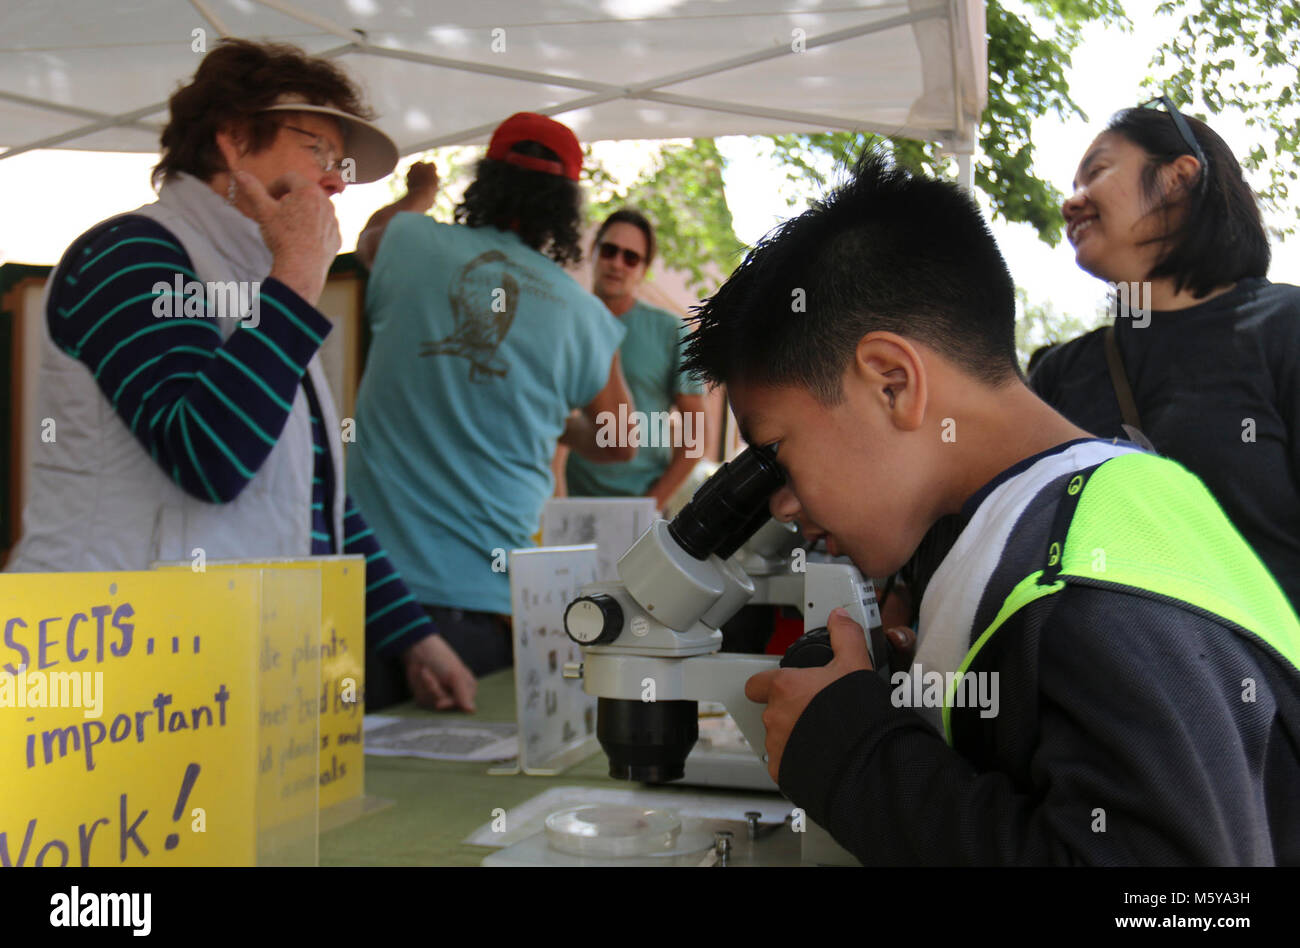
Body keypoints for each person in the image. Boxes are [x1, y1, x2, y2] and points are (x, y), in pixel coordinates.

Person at [682, 149, 1300, 864]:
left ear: (891, 383)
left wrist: (854, 753)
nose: (783, 505)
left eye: (780, 454)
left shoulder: (1087, 583)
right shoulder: (1062, 514)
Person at [4, 39, 477, 714]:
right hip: (106, 686)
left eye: (341, 162)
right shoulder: (130, 253)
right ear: (231, 140)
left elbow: (313, 493)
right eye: (317, 149)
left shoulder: (267, 283)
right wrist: (294, 280)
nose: (338, 180)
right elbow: (208, 458)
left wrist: (412, 636)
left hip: (218, 681)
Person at [349, 112, 634, 680]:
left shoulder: (408, 241)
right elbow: (621, 440)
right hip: (485, 604)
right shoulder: (581, 313)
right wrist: (553, 417)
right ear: (567, 207)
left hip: (364, 590)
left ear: (484, 180)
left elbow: (366, 242)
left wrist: (419, 193)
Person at [1031, 99, 1300, 613]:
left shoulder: (1284, 327)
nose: (1071, 203)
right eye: (1071, 188)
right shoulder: (1060, 374)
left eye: (1097, 172)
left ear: (1179, 177)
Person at [562, 210, 707, 510]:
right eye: (609, 251)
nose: (617, 264)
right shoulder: (566, 322)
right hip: (572, 504)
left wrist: (651, 504)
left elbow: (695, 435)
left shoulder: (672, 332)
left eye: (631, 257)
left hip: (641, 504)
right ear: (594, 251)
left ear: (644, 268)